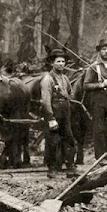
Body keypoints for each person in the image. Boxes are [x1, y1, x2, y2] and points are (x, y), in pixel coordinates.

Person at [39, 48, 77, 178]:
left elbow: (70, 93)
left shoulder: (65, 78)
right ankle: (52, 169)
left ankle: (70, 167)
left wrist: (69, 99)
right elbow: (45, 101)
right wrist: (50, 118)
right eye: (58, 61)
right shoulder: (47, 80)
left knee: (69, 139)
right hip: (54, 113)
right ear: (52, 63)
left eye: (63, 61)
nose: (61, 64)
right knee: (53, 141)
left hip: (65, 112)